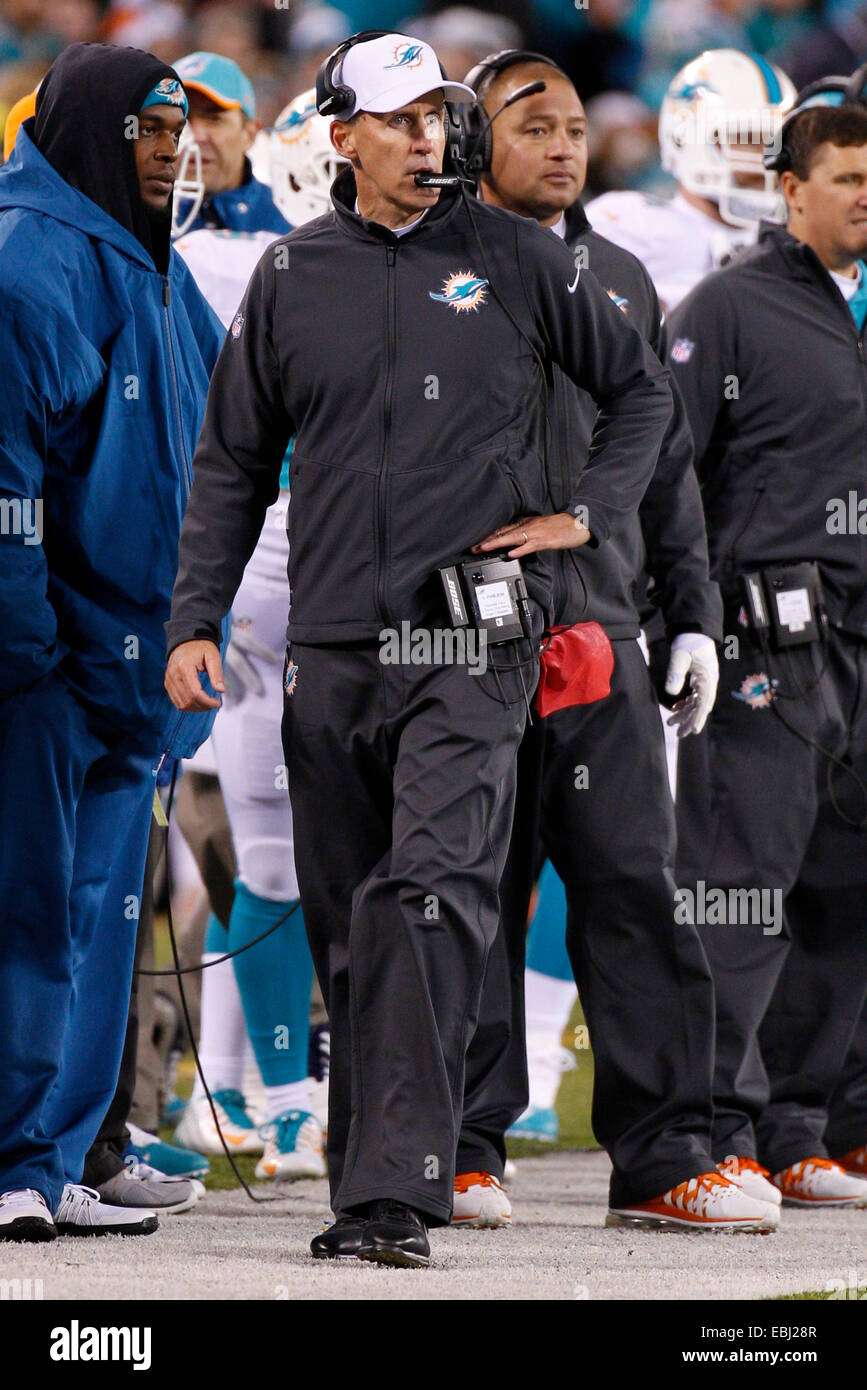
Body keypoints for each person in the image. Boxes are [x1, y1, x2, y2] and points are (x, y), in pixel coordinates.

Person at [164, 29, 673, 1268]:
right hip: (331, 647)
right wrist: (194, 617)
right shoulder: (292, 273)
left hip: (475, 636)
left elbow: (644, 390)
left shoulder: (514, 256)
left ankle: (395, 1190)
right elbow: (232, 462)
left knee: (427, 894)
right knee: (352, 918)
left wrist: (586, 514)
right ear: (341, 136)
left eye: (437, 116)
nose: (426, 136)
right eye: (397, 119)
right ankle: (383, 1170)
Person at [452, 49, 779, 1234]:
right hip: (466, 641)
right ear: (465, 136)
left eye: (577, 124)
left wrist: (692, 614)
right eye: (530, 120)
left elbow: (669, 476)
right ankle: (462, 1144)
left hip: (599, 632)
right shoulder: (426, 273)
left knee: (639, 892)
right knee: (471, 894)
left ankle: (662, 1157)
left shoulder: (626, 278)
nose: (561, 141)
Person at [0, 41, 223, 1242]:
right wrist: (32, 651)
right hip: (49, 670)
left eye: (177, 130)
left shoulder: (154, 262)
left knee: (93, 922)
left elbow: (240, 416)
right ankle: (15, 1164)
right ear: (90, 127)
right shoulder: (27, 262)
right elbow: (4, 489)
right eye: (149, 128)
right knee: (30, 917)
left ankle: (71, 1150)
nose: (170, 151)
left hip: (133, 666)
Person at [668, 95, 867, 1208]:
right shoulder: (729, 308)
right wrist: (681, 621)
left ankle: (808, 1127)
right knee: (741, 896)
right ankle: (710, 1131)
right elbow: (666, 475)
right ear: (789, 191)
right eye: (846, 178)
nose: (865, 196)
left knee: (849, 897)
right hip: (766, 647)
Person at [172, 89, 347, 1182]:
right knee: (262, 852)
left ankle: (245, 1090)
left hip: (332, 562)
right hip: (262, 565)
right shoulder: (233, 270)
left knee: (312, 855)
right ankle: (271, 1097)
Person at [586, 49, 797, 313]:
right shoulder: (625, 224)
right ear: (688, 136)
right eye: (748, 137)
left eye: (775, 141)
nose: (766, 157)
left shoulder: (795, 243)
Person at [172, 51, 289, 235]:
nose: (196, 135)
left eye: (213, 120)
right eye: (181, 120)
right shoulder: (135, 221)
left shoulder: (287, 219)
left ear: (249, 134)